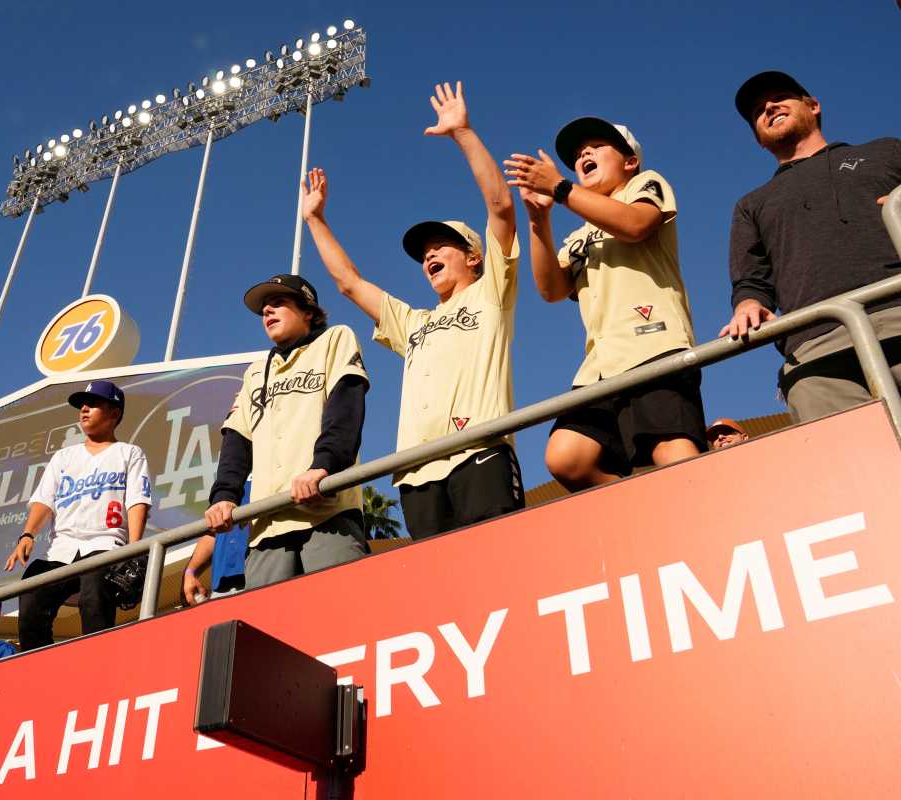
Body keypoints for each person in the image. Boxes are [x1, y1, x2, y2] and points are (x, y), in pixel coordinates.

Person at [300, 81, 524, 540]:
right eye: (423, 253)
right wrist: (315, 221)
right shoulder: (413, 322)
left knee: (497, 573)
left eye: (442, 246)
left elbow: (501, 205)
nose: (429, 256)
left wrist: (462, 132)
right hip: (416, 474)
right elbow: (349, 283)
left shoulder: (491, 293)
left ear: (475, 257)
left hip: (479, 452)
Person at [505, 117, 705, 491]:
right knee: (566, 457)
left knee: (671, 450)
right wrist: (538, 220)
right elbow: (550, 289)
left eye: (597, 146)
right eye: (579, 152)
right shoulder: (579, 233)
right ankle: (640, 506)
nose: (584, 153)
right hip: (599, 365)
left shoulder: (644, 185)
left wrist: (561, 189)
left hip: (652, 344)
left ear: (629, 161)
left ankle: (706, 523)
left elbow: (635, 225)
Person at [722, 70, 901, 423]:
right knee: (857, 469)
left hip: (896, 310)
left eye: (779, 97)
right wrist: (748, 303)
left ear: (814, 106)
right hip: (815, 348)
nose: (769, 107)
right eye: (759, 111)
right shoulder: (751, 204)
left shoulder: (886, 151)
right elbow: (751, 279)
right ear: (759, 139)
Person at [183, 274, 369, 603]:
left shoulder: (335, 339)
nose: (267, 311)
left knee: (341, 620)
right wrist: (224, 496)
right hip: (267, 527)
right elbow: (237, 439)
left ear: (308, 311)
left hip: (326, 512)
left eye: (279, 303)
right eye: (263, 309)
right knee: (268, 636)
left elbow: (345, 407)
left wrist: (324, 466)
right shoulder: (256, 370)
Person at [5, 380, 152, 650]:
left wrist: (134, 548)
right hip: (62, 551)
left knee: (93, 593)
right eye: (81, 405)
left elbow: (137, 501)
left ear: (114, 413)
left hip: (105, 545)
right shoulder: (64, 457)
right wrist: (28, 534)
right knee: (33, 590)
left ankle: (96, 657)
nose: (84, 409)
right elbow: (44, 501)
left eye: (93, 404)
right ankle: (36, 662)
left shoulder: (129, 453)